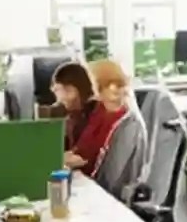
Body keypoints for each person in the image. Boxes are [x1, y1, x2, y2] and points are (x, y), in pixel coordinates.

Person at [61, 59, 147, 201]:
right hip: (84, 182)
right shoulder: (99, 111)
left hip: (103, 195)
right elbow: (83, 149)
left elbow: (110, 178)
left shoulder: (127, 125)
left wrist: (73, 161)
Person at [49, 61, 97, 153]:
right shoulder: (72, 116)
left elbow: (83, 152)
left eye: (57, 90)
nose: (58, 99)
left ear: (72, 90)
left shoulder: (94, 115)